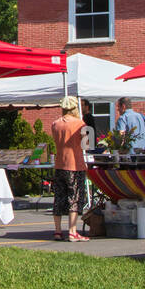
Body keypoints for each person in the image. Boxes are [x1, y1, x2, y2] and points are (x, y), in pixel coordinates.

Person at [51, 96, 89, 242]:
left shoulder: (55, 124)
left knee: (59, 197)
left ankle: (57, 230)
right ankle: (72, 231)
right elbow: (86, 145)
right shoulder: (80, 124)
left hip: (60, 164)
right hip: (75, 164)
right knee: (75, 197)